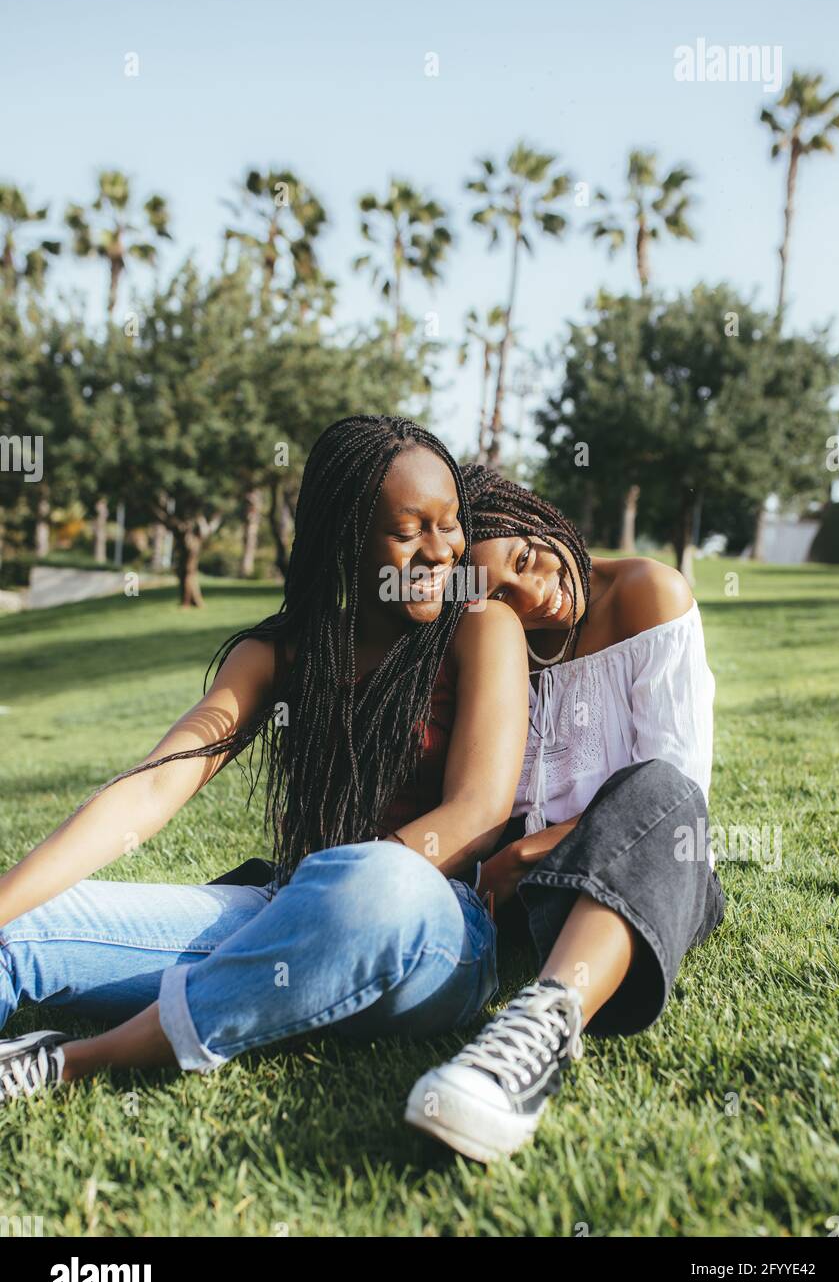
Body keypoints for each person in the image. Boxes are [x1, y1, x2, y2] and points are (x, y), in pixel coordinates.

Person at [0, 417, 533, 1104]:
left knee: (375, 883)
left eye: (451, 523)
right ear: (347, 537)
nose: (442, 551)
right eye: (409, 533)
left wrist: (340, 889)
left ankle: (76, 1061)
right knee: (27, 924)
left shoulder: (482, 629)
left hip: (430, 931)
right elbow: (154, 787)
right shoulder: (281, 654)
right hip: (285, 908)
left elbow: (479, 812)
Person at [404, 466, 725, 1163]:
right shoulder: (497, 643)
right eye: (503, 597)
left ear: (542, 518)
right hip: (515, 894)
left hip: (647, 868)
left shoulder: (649, 594)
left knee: (661, 790)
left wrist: (522, 856)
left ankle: (538, 1031)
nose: (535, 595)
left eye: (524, 560)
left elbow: (679, 794)